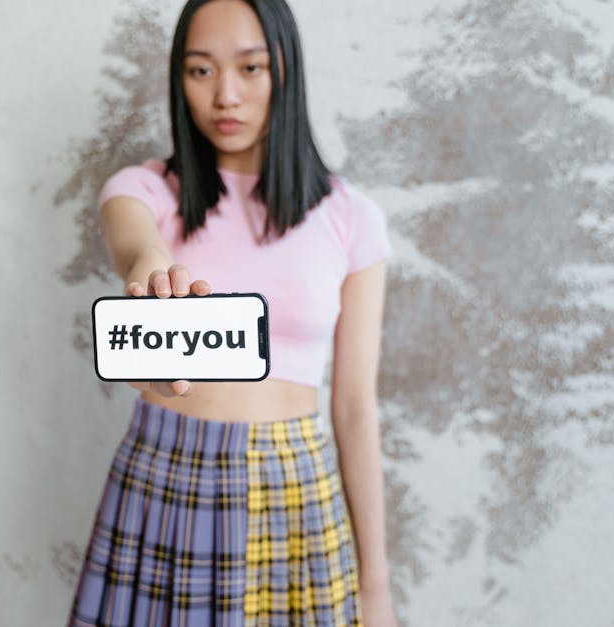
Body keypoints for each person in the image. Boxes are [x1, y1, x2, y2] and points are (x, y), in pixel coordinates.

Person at [68, 1, 397, 625]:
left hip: (297, 490)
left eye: (250, 68)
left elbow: (355, 408)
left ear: (284, 70)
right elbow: (135, 240)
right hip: (164, 477)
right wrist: (151, 275)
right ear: (178, 79)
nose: (225, 96)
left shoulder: (351, 218)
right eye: (200, 71)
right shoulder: (148, 190)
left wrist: (375, 586)